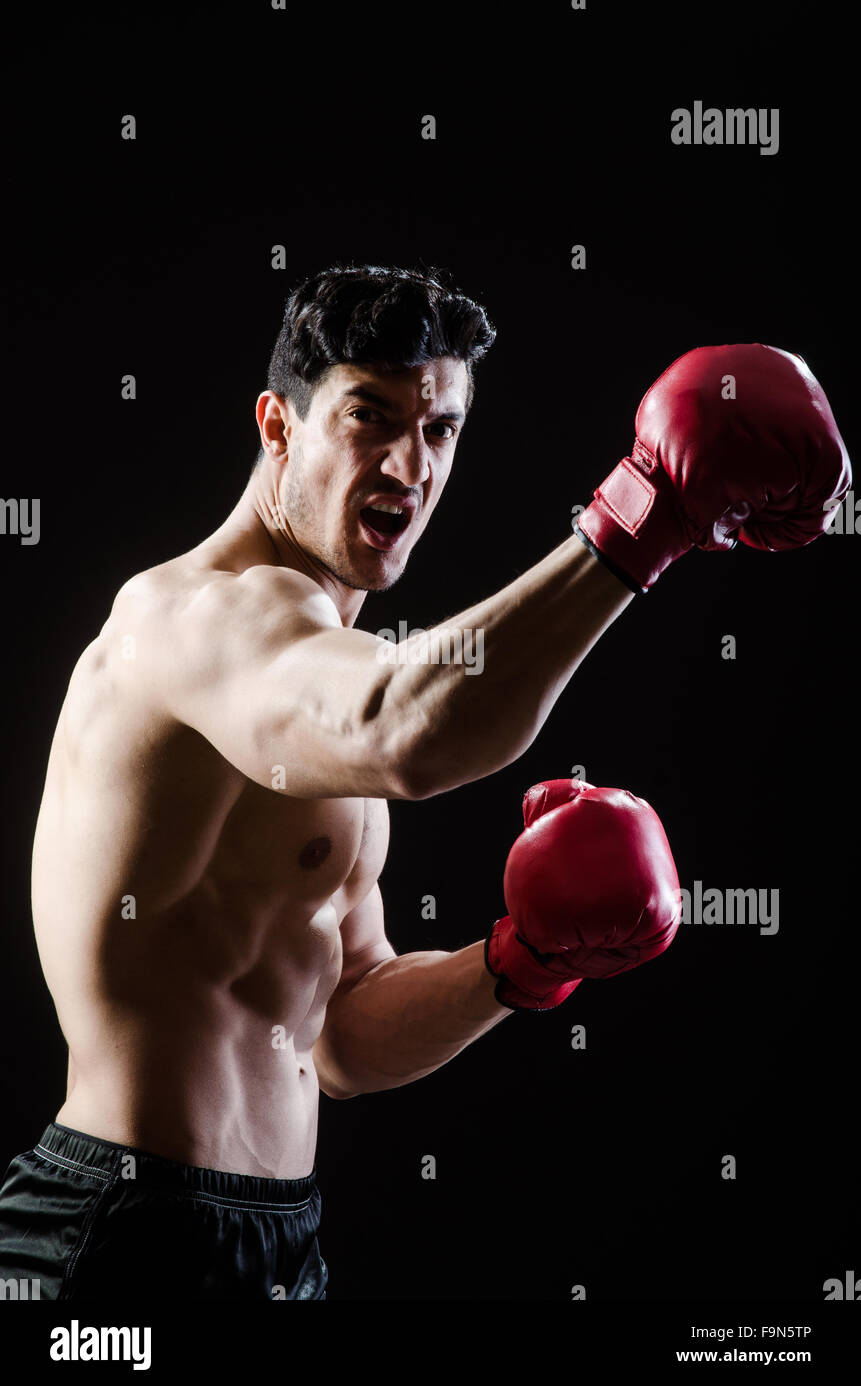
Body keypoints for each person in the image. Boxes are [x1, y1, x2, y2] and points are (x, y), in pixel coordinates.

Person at [0, 264, 850, 1300]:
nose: (411, 461)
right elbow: (404, 728)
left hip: (281, 1241)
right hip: (122, 1238)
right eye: (372, 415)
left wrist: (519, 961)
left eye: (441, 427)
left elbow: (344, 1029)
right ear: (277, 425)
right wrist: (646, 516)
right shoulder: (189, 619)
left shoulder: (315, 681)